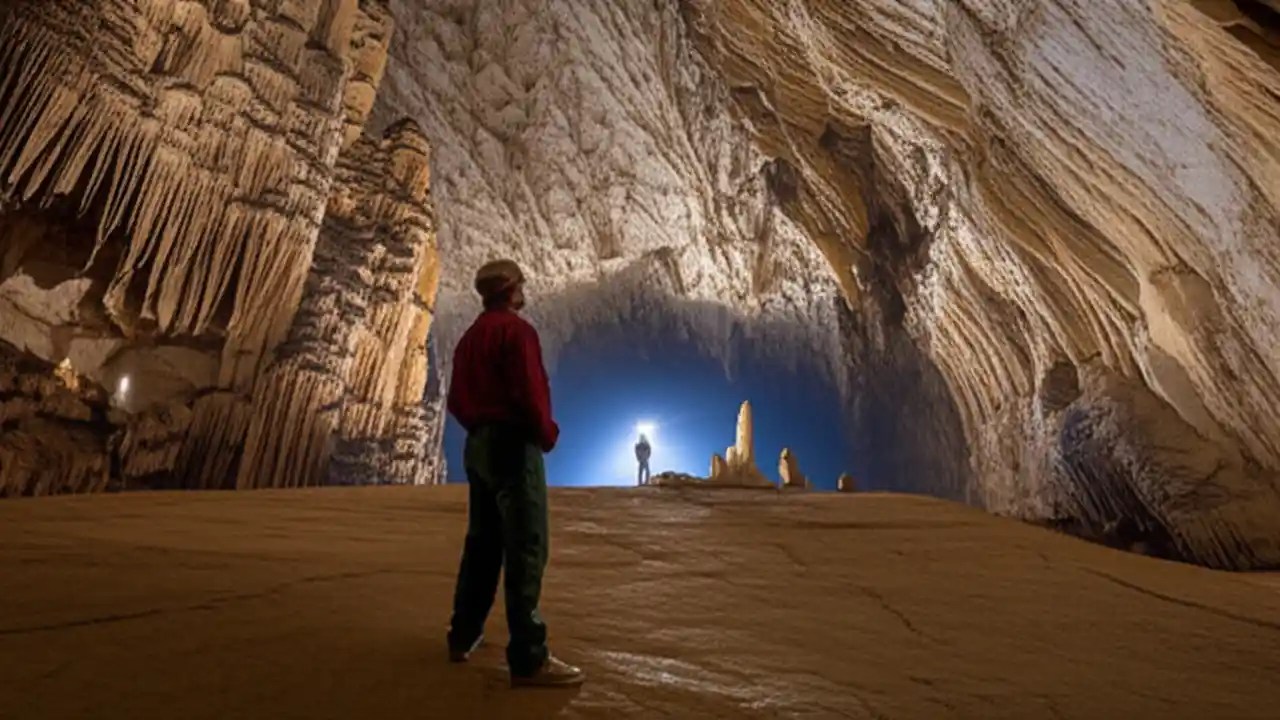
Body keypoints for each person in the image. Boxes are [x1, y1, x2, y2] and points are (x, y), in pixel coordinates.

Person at [445, 258, 585, 687]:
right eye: (520, 285)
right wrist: (545, 432)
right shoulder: (516, 332)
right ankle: (528, 656)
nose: (524, 290)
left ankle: (462, 636)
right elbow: (529, 390)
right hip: (511, 445)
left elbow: (456, 399)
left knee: (482, 544)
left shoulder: (469, 339)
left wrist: (478, 429)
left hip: (479, 445)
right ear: (509, 290)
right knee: (526, 545)